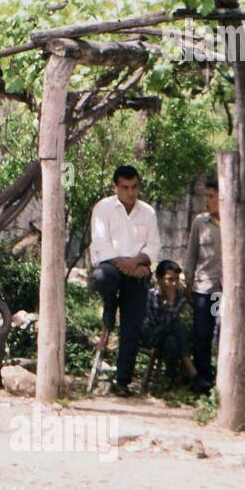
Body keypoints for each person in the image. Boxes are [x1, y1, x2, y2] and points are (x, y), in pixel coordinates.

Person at [89, 165, 161, 396]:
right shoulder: (103, 208)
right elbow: (101, 244)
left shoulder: (148, 212)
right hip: (112, 267)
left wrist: (138, 262)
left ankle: (122, 381)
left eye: (135, 187)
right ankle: (110, 305)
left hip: (138, 269)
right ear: (115, 187)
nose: (131, 192)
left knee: (132, 324)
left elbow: (154, 246)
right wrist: (127, 265)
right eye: (125, 187)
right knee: (101, 277)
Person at [183, 178, 221, 394]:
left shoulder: (232, 222)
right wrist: (188, 281)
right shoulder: (201, 222)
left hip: (221, 290)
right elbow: (192, 254)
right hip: (202, 289)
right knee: (201, 333)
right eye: (206, 196)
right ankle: (202, 381)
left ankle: (221, 380)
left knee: (220, 332)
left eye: (212, 196)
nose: (208, 200)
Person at [143, 259, 200, 387]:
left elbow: (170, 323)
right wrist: (169, 302)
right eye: (170, 279)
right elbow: (156, 323)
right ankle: (190, 367)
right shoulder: (151, 296)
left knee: (172, 341)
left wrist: (172, 300)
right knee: (177, 327)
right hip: (150, 334)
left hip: (167, 335)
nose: (174, 284)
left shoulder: (179, 296)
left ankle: (168, 380)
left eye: (176, 279)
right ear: (159, 279)